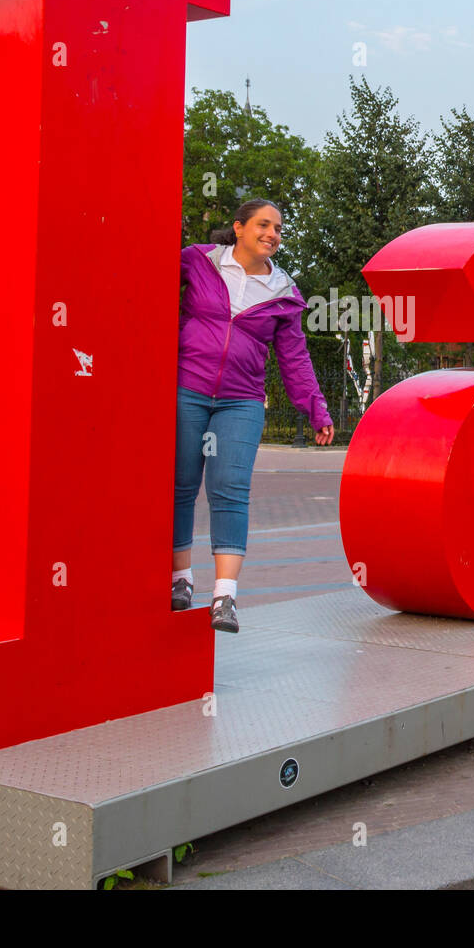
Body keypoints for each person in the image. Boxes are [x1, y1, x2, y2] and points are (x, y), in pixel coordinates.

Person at [174, 200, 334, 633]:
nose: (273, 233)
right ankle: (180, 579)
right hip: (186, 388)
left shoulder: (283, 292)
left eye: (278, 228)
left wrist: (314, 407)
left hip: (240, 400)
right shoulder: (198, 261)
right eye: (264, 225)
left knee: (229, 489)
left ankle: (224, 596)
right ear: (239, 228)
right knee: (181, 484)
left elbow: (294, 359)